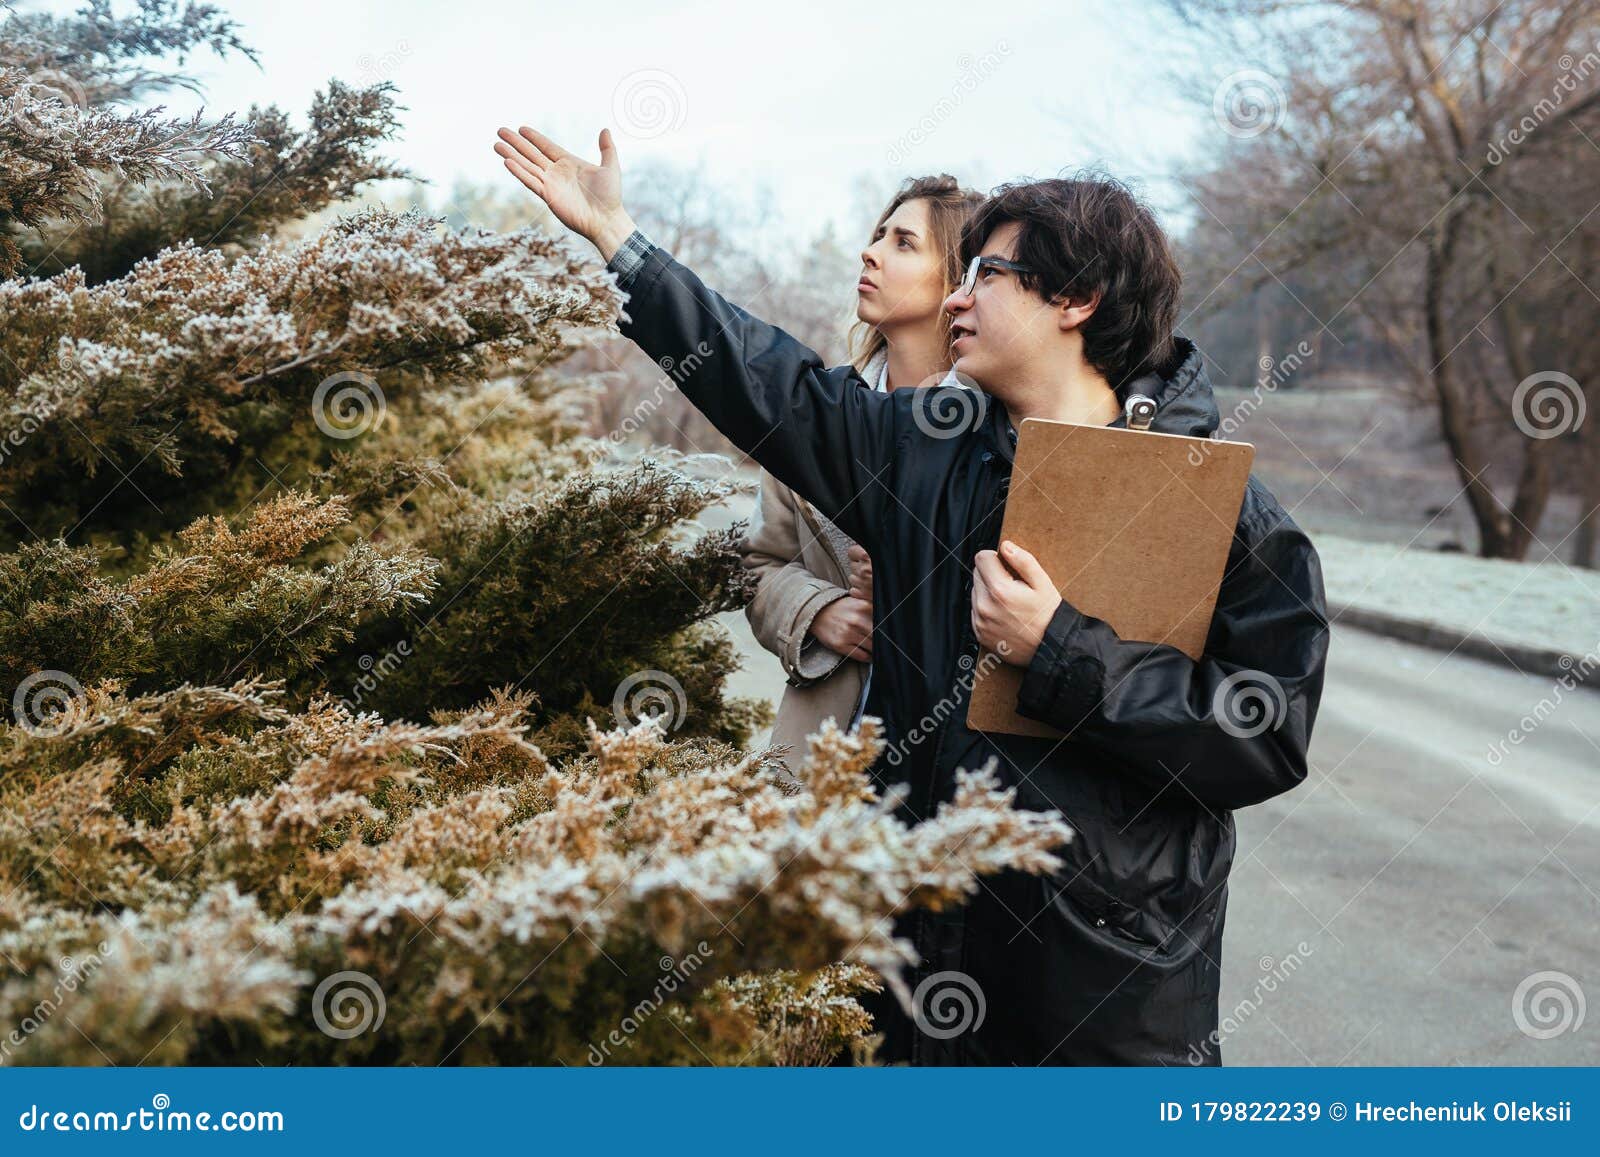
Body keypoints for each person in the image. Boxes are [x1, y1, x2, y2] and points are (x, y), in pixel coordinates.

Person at [493, 124, 1330, 1065]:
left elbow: (1262, 735)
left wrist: (1060, 648)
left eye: (990, 276)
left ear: (1079, 299)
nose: (958, 298)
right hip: (909, 965)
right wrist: (621, 244)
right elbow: (769, 382)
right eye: (959, 271)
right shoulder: (917, 451)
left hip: (1105, 999)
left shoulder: (1221, 508)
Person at [739, 174, 982, 779]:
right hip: (813, 756)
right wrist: (818, 613)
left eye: (903, 243)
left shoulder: (995, 430)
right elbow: (759, 566)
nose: (869, 252)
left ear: (957, 282)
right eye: (878, 235)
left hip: (946, 769)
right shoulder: (820, 414)